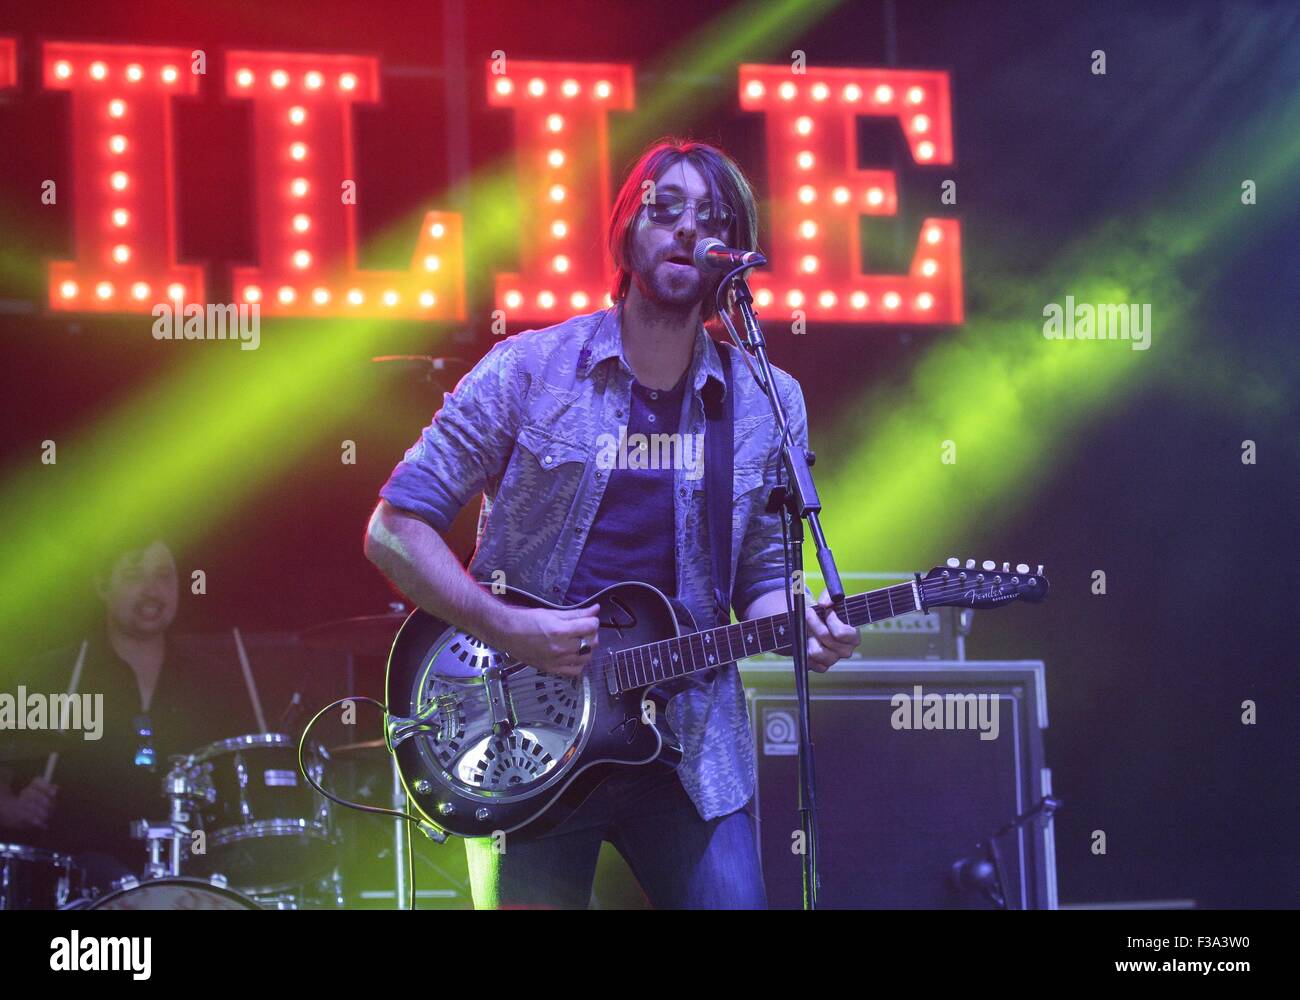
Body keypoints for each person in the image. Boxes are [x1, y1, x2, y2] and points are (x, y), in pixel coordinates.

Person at [365, 138, 861, 909]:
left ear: (735, 249)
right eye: (666, 209)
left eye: (713, 216)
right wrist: (505, 627)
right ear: (627, 228)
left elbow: (762, 576)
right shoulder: (528, 371)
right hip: (525, 734)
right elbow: (393, 531)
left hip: (687, 748)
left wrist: (801, 625)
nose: (689, 229)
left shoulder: (767, 399)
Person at [0, 537, 254, 894]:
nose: (152, 590)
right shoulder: (51, 676)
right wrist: (10, 807)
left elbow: (241, 794)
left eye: (164, 576)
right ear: (103, 586)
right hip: (76, 887)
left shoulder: (213, 683)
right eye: (135, 574)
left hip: (191, 879)